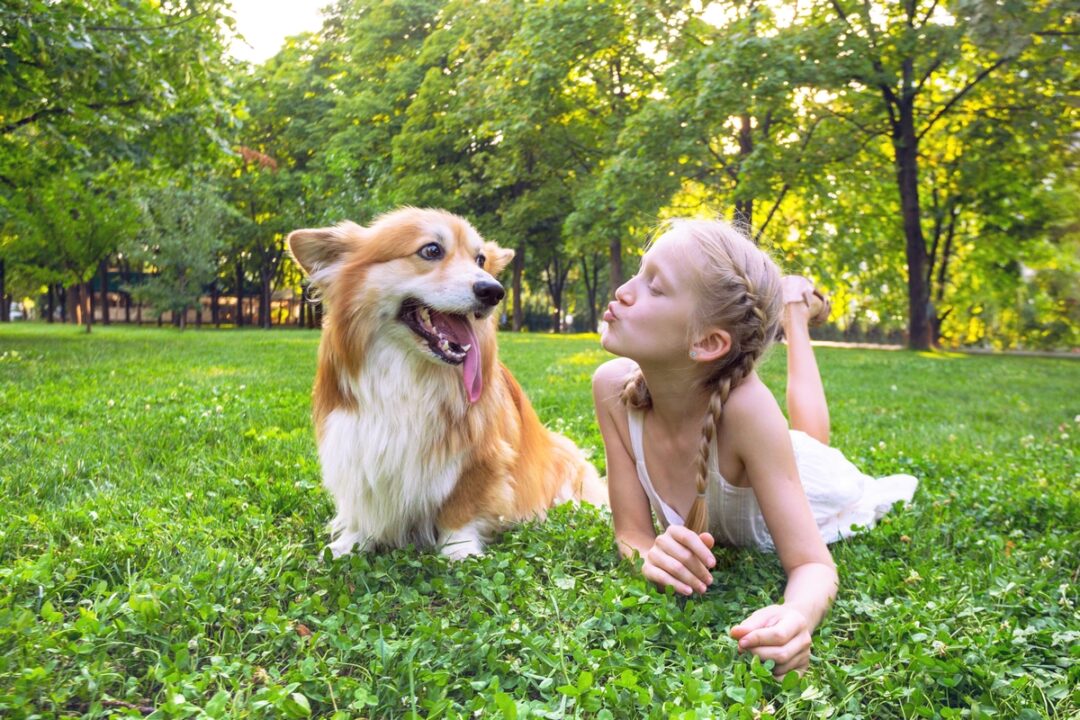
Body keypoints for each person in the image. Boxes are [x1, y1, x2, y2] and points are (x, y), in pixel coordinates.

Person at [591, 219, 918, 676]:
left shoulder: (748, 410)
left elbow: (812, 565)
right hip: (767, 455)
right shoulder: (610, 388)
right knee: (796, 438)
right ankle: (791, 305)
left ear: (707, 342)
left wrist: (796, 617)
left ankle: (795, 317)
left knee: (809, 443)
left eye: (655, 287)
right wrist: (650, 556)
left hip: (809, 475)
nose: (623, 290)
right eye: (637, 272)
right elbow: (631, 533)